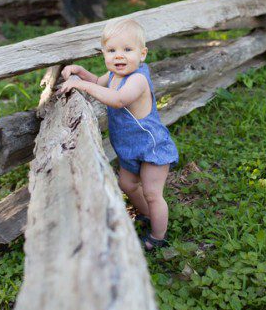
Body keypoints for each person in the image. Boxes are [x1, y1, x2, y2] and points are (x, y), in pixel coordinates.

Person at [57, 18, 179, 251]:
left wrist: (83, 86)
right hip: (128, 146)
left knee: (153, 193)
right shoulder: (113, 75)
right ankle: (145, 214)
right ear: (104, 53)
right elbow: (96, 82)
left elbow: (118, 100)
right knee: (127, 183)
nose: (119, 56)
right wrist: (80, 72)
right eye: (112, 50)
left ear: (142, 54)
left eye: (127, 50)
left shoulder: (138, 79)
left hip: (150, 146)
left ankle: (158, 235)